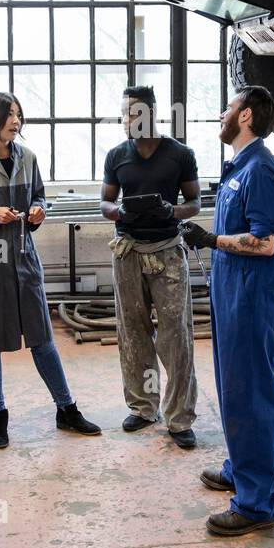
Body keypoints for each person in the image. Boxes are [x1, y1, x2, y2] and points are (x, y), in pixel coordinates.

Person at [0, 91, 101, 448]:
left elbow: (40, 197)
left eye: (18, 115)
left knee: (43, 339)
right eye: (9, 115)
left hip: (23, 261)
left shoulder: (28, 158)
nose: (16, 121)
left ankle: (67, 408)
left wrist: (37, 211)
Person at [181, 85, 274, 537]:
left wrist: (210, 241)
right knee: (233, 389)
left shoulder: (261, 169)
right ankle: (239, 468)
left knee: (252, 395)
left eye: (227, 108)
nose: (221, 114)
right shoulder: (238, 168)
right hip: (233, 296)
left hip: (255, 300)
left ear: (245, 116)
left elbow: (266, 243)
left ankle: (255, 503)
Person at [100, 86, 202, 449]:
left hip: (168, 251)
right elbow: (105, 203)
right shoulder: (116, 156)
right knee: (133, 332)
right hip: (128, 252)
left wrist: (171, 211)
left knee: (175, 334)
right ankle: (144, 407)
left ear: (149, 114)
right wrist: (120, 212)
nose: (126, 121)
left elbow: (195, 201)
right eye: (123, 114)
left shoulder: (179, 155)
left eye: (131, 114)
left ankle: (179, 418)